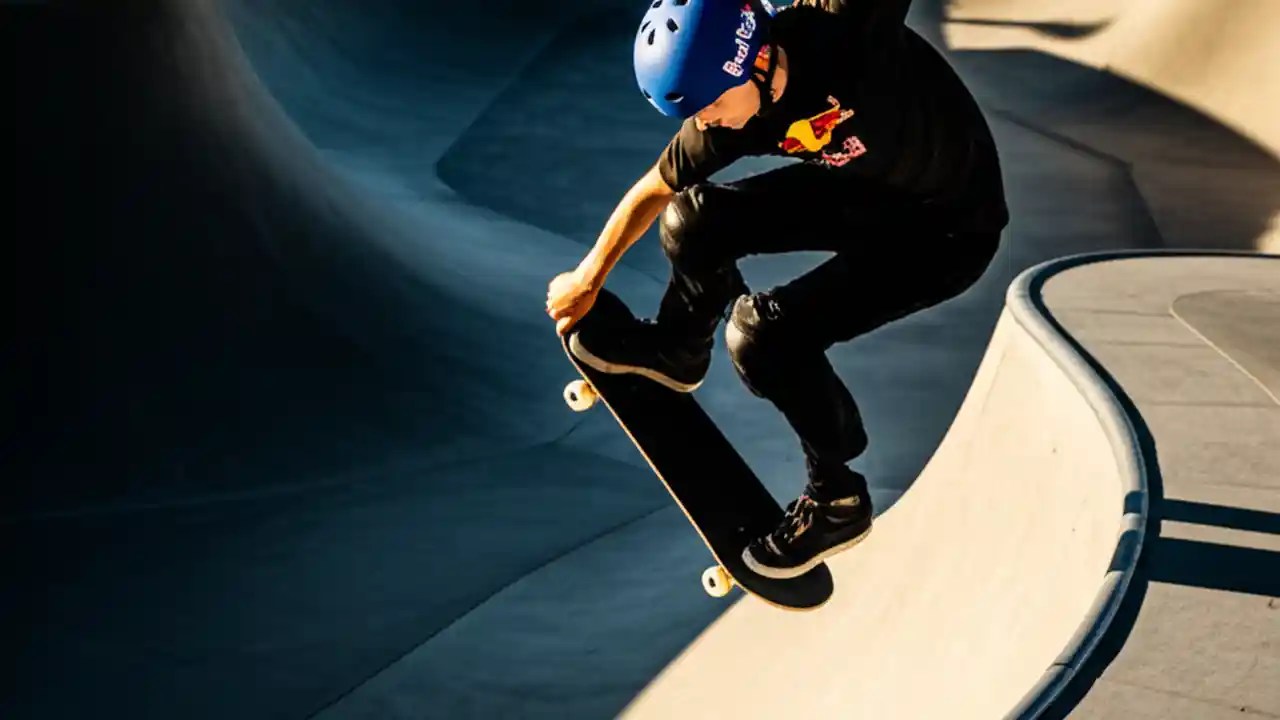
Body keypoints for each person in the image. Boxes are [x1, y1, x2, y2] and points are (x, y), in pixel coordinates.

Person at [545, 0, 1008, 580]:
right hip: (867, 194)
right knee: (692, 220)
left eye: (712, 105)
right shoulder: (727, 112)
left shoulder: (845, 27)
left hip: (948, 231)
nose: (708, 121)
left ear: (756, 61)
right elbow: (654, 188)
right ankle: (677, 349)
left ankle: (838, 501)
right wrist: (589, 277)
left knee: (765, 337)